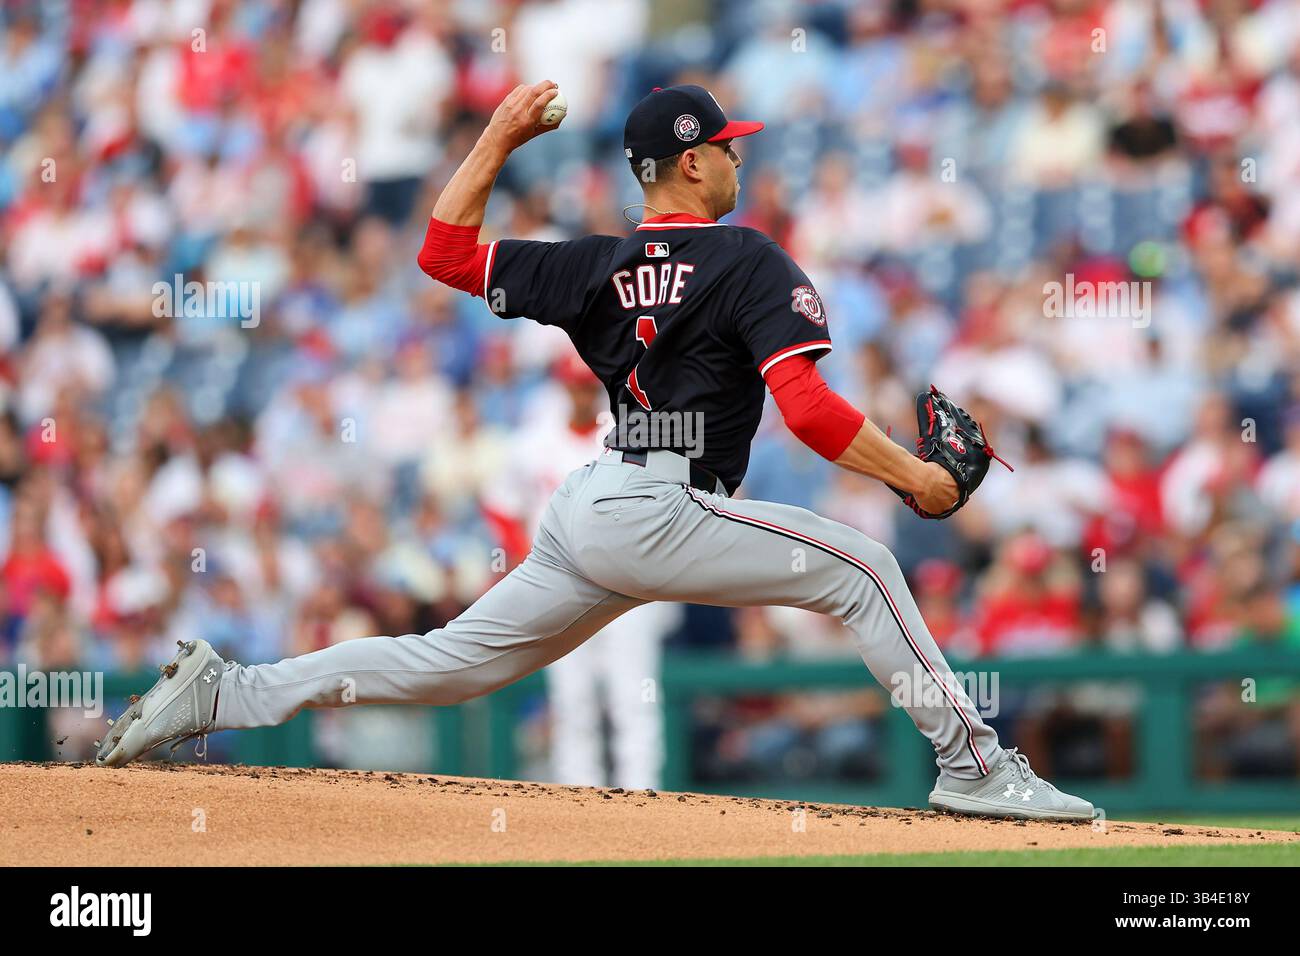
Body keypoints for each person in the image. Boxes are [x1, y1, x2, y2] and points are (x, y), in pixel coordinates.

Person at [97, 81, 1092, 821]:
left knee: (444, 659)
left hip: (593, 503)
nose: (741, 165)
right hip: (659, 505)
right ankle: (973, 766)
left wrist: (496, 134)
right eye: (730, 151)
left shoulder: (595, 264)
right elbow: (805, 406)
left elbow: (441, 251)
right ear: (694, 163)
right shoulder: (746, 255)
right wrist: (916, 479)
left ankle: (231, 690)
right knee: (866, 567)